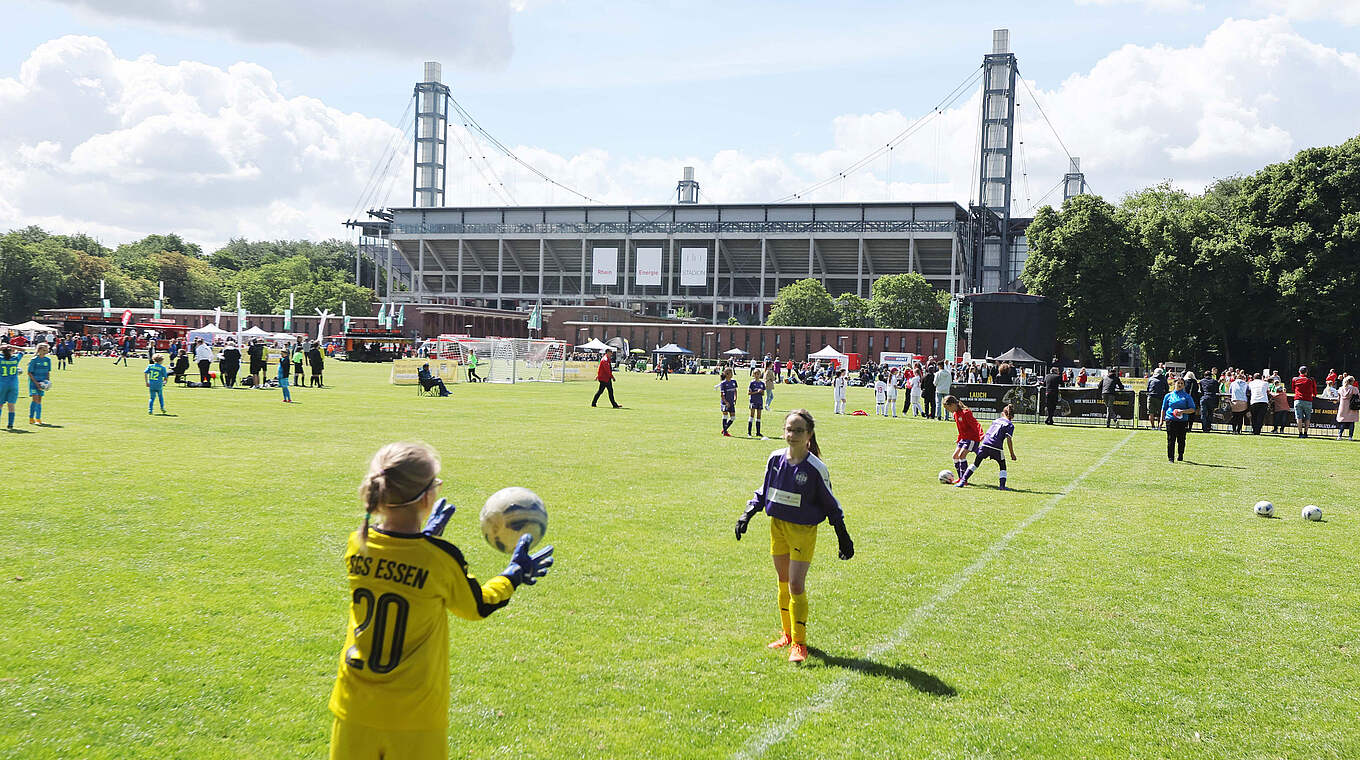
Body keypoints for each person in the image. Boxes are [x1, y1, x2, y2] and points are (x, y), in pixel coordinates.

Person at [328, 442, 553, 760]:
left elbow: (397, 566)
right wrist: (514, 574)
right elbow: (477, 605)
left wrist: (426, 537)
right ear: (426, 498)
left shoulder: (358, 542)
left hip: (353, 707)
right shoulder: (438, 559)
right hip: (414, 715)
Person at [734, 409, 853, 663]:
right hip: (778, 526)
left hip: (802, 532)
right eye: (789, 429)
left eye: (799, 430)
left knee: (796, 585)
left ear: (809, 435)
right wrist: (747, 514)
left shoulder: (815, 468)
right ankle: (786, 635)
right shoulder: (775, 458)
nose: (793, 434)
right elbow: (764, 491)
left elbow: (831, 504)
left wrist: (842, 534)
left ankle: (799, 643)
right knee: (783, 581)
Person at [956, 404, 1017, 489]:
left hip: (985, 444)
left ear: (1003, 413)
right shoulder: (1010, 425)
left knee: (975, 464)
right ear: (1013, 416)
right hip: (996, 447)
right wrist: (1012, 454)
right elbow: (1009, 439)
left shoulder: (996, 421)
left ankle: (963, 481)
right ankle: (1002, 486)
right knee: (1002, 466)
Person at [943, 395, 983, 482]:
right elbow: (960, 429)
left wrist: (980, 436)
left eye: (948, 408)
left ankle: (964, 480)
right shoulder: (955, 414)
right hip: (963, 439)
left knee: (962, 455)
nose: (948, 410)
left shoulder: (966, 412)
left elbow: (976, 425)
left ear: (953, 404)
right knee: (955, 456)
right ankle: (961, 478)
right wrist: (959, 438)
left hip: (972, 438)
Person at [1161, 377, 1197, 461]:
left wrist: (1183, 411)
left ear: (1184, 385)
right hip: (1170, 419)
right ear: (1174, 384)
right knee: (1171, 439)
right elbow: (1163, 408)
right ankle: (1171, 458)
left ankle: (1180, 454)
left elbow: (1192, 409)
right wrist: (1161, 420)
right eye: (1178, 383)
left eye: (1182, 383)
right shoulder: (1168, 395)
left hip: (1182, 421)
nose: (1180, 385)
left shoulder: (1187, 396)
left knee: (1181, 439)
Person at [24, 342, 53, 426]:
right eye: (44, 350)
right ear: (39, 350)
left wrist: (47, 382)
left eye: (46, 350)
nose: (46, 352)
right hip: (34, 383)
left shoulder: (48, 360)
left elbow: (48, 372)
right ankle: (35, 418)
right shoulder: (34, 360)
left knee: (39, 400)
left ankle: (35, 418)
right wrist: (37, 384)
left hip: (42, 383)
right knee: (35, 399)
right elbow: (29, 373)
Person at [0, 344, 23, 430]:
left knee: (0, 404)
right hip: (13, 384)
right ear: (11, 351)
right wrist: (12, 346)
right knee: (11, 405)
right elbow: (23, 350)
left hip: (2, 384)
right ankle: (10, 424)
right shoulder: (15, 358)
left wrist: (2, 347)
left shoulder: (1, 359)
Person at [1292, 366, 1318, 438]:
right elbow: (1314, 390)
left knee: (1298, 417)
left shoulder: (1295, 379)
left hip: (1298, 400)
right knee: (1307, 417)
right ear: (1306, 372)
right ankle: (1305, 433)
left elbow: (1293, 388)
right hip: (1308, 400)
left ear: (1299, 372)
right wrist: (1314, 394)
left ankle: (1300, 433)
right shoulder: (1311, 380)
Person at [716, 367, 738, 436]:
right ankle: (725, 432)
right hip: (725, 403)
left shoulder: (734, 382)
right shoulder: (723, 383)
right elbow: (722, 395)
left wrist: (735, 397)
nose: (732, 374)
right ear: (727, 374)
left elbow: (735, 390)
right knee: (725, 416)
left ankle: (724, 429)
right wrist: (726, 402)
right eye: (730, 372)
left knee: (733, 417)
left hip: (731, 402)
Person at [1336, 375, 1357, 441]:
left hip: (1343, 406)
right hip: (1352, 406)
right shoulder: (1354, 389)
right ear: (1352, 381)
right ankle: (1350, 437)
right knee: (1351, 422)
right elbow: (1358, 396)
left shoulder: (1341, 388)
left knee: (1343, 421)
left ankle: (1339, 435)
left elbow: (1338, 398)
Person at [747, 369, 767, 438]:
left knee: (759, 417)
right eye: (755, 374)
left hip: (759, 401)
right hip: (753, 401)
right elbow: (749, 393)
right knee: (751, 416)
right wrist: (757, 392)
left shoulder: (762, 383)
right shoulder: (752, 383)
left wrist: (761, 392)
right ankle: (749, 433)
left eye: (758, 374)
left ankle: (758, 432)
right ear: (753, 374)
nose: (757, 375)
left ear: (760, 374)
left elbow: (763, 394)